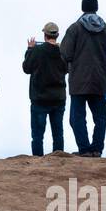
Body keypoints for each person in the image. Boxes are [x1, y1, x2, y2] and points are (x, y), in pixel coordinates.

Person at [61, 0, 106, 157]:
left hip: (78, 81)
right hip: (100, 79)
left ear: (82, 7)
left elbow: (66, 53)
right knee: (100, 117)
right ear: (96, 7)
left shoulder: (74, 28)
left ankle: (84, 149)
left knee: (77, 118)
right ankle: (97, 149)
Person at [22, 22, 66, 156]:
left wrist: (30, 49)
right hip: (58, 97)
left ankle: (37, 161)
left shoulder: (37, 50)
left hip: (40, 98)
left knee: (37, 135)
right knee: (58, 133)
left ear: (45, 35)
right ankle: (59, 161)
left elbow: (27, 68)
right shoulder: (62, 51)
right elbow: (67, 69)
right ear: (57, 35)